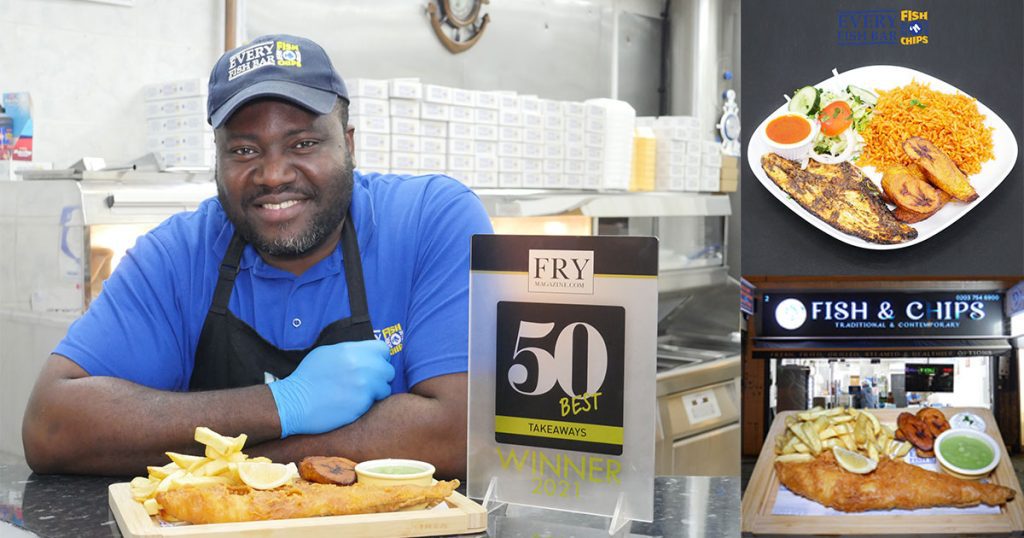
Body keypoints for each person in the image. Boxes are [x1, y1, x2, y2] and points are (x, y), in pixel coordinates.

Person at [21, 34, 492, 479]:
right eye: (244, 150)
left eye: (303, 143)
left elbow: (459, 433)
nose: (272, 175)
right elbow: (52, 428)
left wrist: (232, 459)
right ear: (218, 162)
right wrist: (282, 404)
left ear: (348, 144)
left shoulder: (430, 220)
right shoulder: (175, 255)